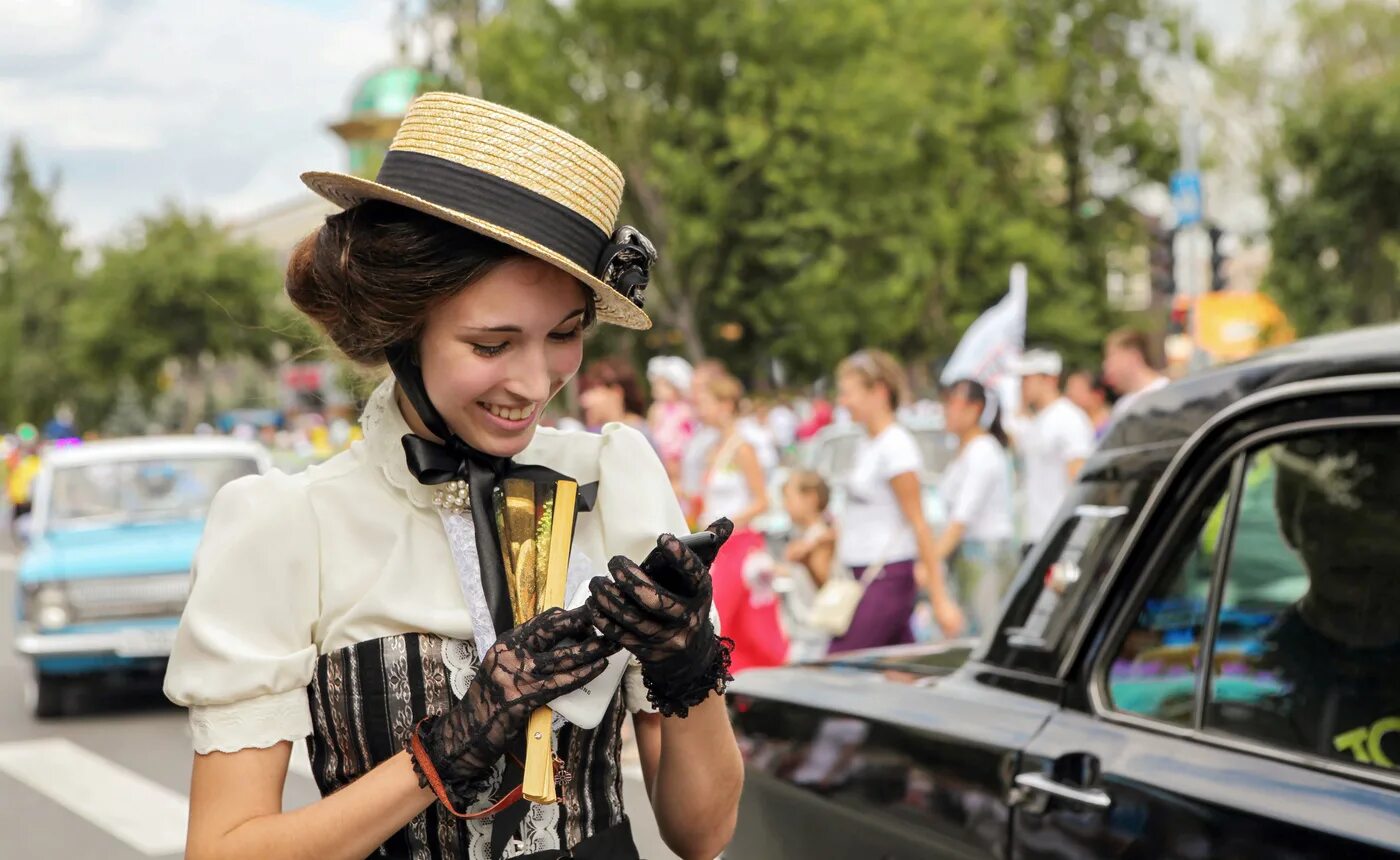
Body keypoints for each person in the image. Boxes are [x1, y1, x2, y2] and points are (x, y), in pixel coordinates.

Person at [163, 93, 741, 860]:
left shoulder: (616, 476)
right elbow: (224, 849)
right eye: (493, 344)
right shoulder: (285, 525)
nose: (536, 383)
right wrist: (438, 756)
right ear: (402, 326)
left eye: (564, 335)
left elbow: (703, 836)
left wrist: (687, 658)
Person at [830, 350, 965, 653]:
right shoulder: (867, 444)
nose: (843, 402)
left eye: (849, 393)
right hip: (864, 576)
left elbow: (919, 521)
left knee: (840, 665)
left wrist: (940, 598)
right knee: (897, 668)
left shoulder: (896, 446)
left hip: (886, 576)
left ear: (878, 392)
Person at [693, 371, 786, 672]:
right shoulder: (713, 449)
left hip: (738, 542)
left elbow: (761, 500)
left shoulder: (743, 448)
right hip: (717, 544)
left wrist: (725, 524)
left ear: (725, 405)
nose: (701, 410)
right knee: (733, 617)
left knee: (723, 614)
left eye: (706, 403)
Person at [933, 379, 1017, 636]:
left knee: (983, 634)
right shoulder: (967, 450)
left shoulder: (982, 451)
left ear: (975, 409)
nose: (947, 410)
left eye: (953, 403)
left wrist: (930, 561)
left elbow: (962, 517)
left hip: (985, 554)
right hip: (969, 556)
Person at [1007, 350, 1095, 550]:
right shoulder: (1038, 420)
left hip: (1058, 535)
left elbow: (1078, 480)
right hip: (1034, 534)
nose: (1022, 386)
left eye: (1027, 378)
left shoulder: (1069, 418)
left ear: (1049, 379)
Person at [645, 355, 695, 488]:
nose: (658, 389)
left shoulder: (685, 410)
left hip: (678, 455)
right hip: (660, 453)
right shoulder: (656, 409)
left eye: (664, 385)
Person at [578, 356, 650, 438]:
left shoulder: (640, 433)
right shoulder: (592, 435)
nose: (584, 400)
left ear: (616, 392)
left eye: (593, 389)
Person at [1102, 327, 1169, 417]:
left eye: (1111, 357)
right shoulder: (1122, 406)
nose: (1106, 366)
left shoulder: (1167, 394)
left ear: (1133, 356)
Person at [1065, 370, 1114, 440]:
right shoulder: (1069, 424)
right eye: (1068, 388)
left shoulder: (1112, 427)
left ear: (1098, 395)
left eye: (1077, 389)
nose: (1069, 394)